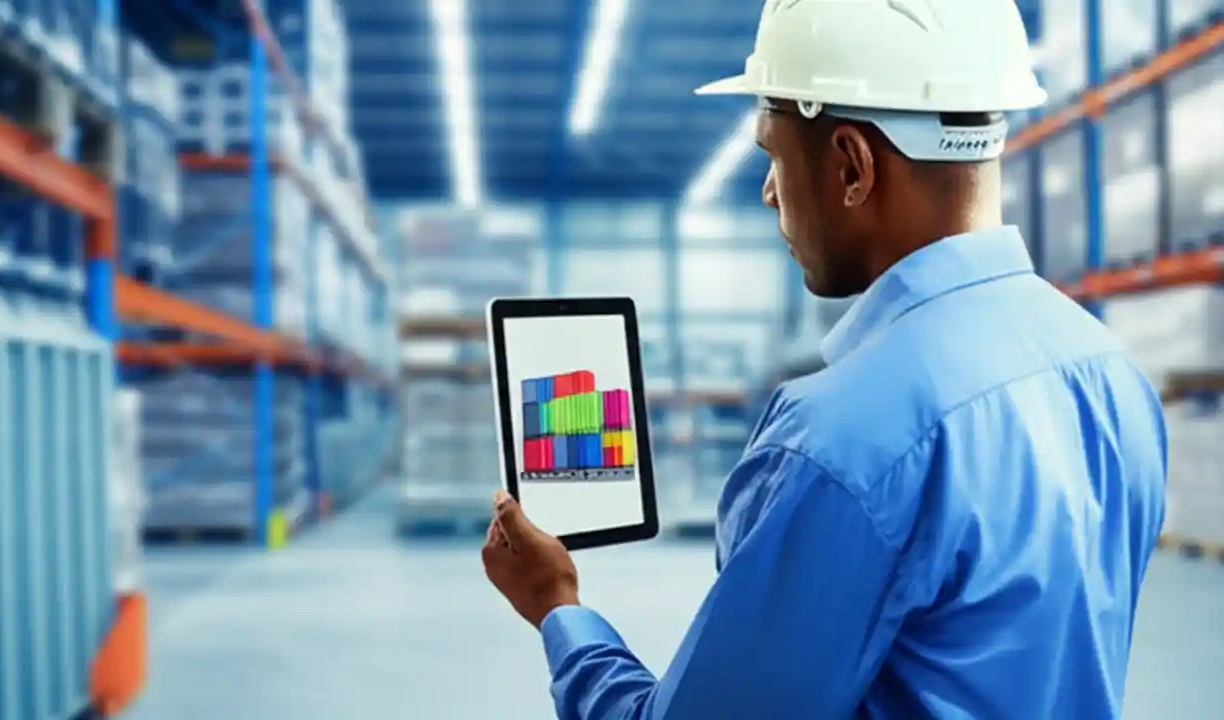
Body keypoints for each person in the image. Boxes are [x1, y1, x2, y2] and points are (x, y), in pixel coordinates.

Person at [482, 0, 1168, 717]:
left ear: (851, 166)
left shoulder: (838, 444)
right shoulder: (1110, 374)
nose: (768, 191)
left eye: (774, 155)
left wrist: (557, 607)